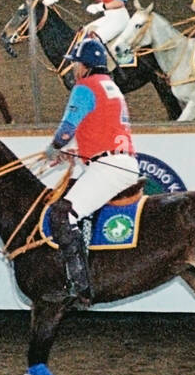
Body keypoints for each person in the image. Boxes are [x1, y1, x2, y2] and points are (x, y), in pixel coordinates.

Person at [40, 36, 139, 308]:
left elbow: (67, 127)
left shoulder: (85, 87)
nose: (74, 69)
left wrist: (54, 147)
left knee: (62, 214)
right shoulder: (112, 87)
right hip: (119, 161)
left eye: (76, 64)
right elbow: (98, 128)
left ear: (87, 66)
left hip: (108, 167)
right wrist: (70, 151)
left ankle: (79, 286)